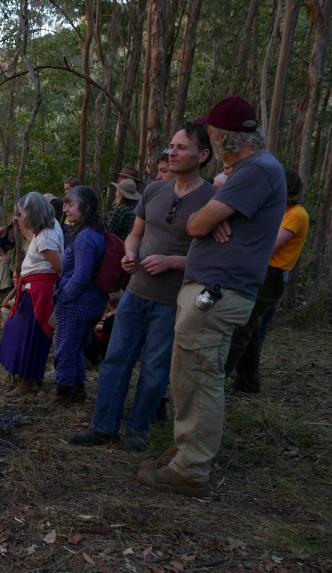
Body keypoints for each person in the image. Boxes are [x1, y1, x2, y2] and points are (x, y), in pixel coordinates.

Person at [137, 96, 286, 496]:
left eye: (213, 135)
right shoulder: (248, 171)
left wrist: (208, 219)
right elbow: (203, 219)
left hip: (218, 293)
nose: (212, 141)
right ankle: (186, 450)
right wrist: (213, 213)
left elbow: (196, 223)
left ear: (222, 138)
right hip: (212, 290)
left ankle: (191, 468)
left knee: (199, 379)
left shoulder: (256, 171)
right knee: (189, 377)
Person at [70, 124, 215, 451]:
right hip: (135, 293)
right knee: (115, 360)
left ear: (202, 155)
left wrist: (172, 262)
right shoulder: (153, 191)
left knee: (154, 368)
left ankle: (137, 430)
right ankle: (103, 426)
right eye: (171, 146)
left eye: (181, 147)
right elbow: (136, 232)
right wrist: (130, 252)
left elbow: (214, 258)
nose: (172, 152)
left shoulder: (212, 201)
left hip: (172, 299)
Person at [224, 169, 309, 393]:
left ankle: (218, 378)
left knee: (242, 327)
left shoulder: (297, 214)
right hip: (262, 270)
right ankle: (248, 382)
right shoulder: (278, 210)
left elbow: (271, 245)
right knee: (250, 330)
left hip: (272, 275)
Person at [0, 193, 64, 397]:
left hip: (38, 294)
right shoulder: (47, 229)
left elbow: (60, 268)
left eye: (22, 212)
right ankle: (24, 377)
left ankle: (28, 380)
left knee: (30, 336)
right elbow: (36, 245)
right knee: (17, 332)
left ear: (33, 213)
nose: (20, 215)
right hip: (31, 290)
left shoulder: (47, 238)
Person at [52, 186, 108, 405]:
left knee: (65, 346)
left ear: (86, 207)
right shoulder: (95, 231)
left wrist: (64, 296)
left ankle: (65, 392)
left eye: (70, 204)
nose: (65, 209)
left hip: (79, 301)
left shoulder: (85, 236)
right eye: (65, 204)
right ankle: (77, 389)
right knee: (75, 345)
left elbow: (82, 274)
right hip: (93, 300)